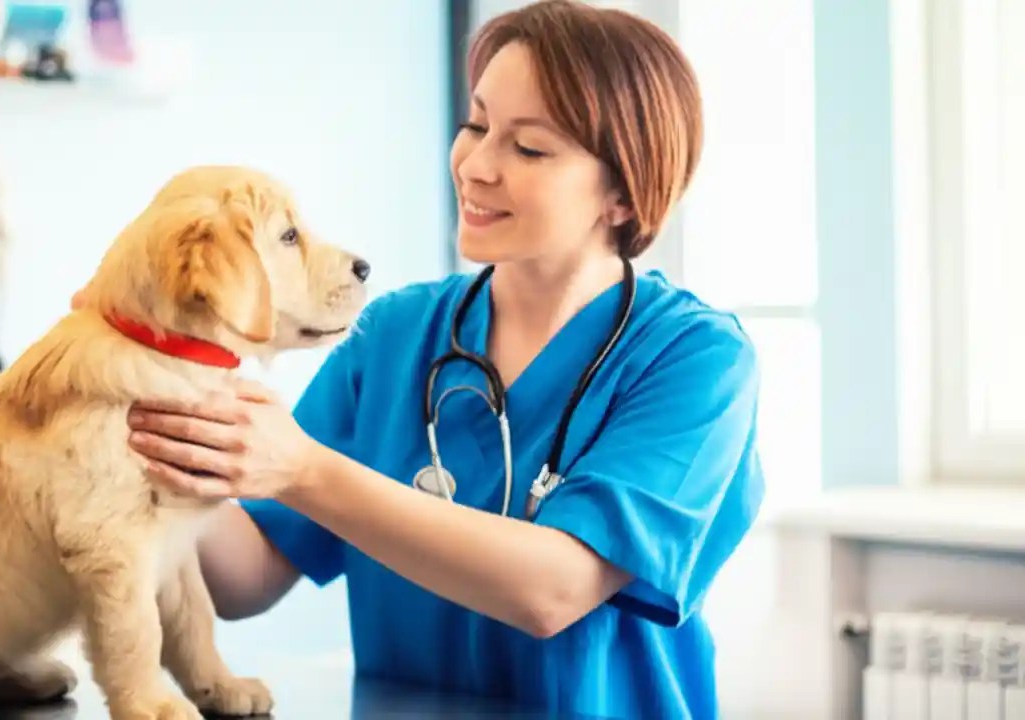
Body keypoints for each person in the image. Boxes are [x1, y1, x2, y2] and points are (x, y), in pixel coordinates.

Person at [120, 2, 764, 718]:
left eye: (529, 149)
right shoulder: (396, 333)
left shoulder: (694, 360)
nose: (476, 165)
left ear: (621, 192)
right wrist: (153, 426)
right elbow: (246, 579)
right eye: (477, 125)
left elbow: (552, 591)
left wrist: (302, 468)